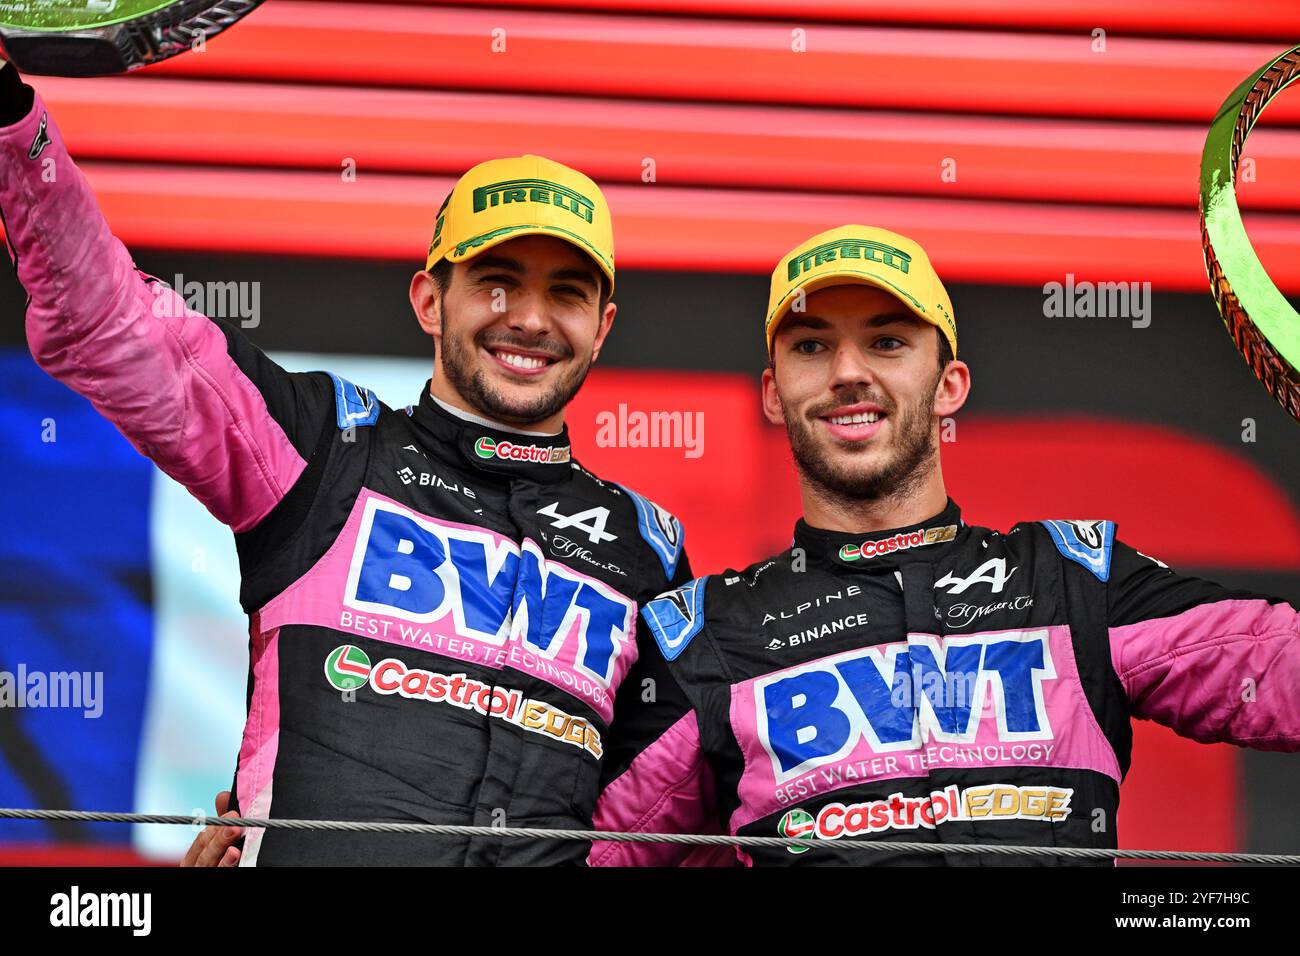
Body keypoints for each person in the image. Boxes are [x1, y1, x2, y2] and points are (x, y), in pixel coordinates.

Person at [0, 60, 694, 866]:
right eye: (497, 283)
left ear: (602, 325)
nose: (531, 319)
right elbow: (113, 326)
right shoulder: (323, 447)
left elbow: (666, 823)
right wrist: (15, 128)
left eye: (568, 293)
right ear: (430, 301)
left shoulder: (647, 551)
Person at [591, 224, 1300, 866]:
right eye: (813, 346)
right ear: (775, 395)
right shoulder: (709, 633)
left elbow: (1279, 674)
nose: (847, 371)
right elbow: (585, 851)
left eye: (887, 341)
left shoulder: (1075, 578)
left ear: (949, 384)